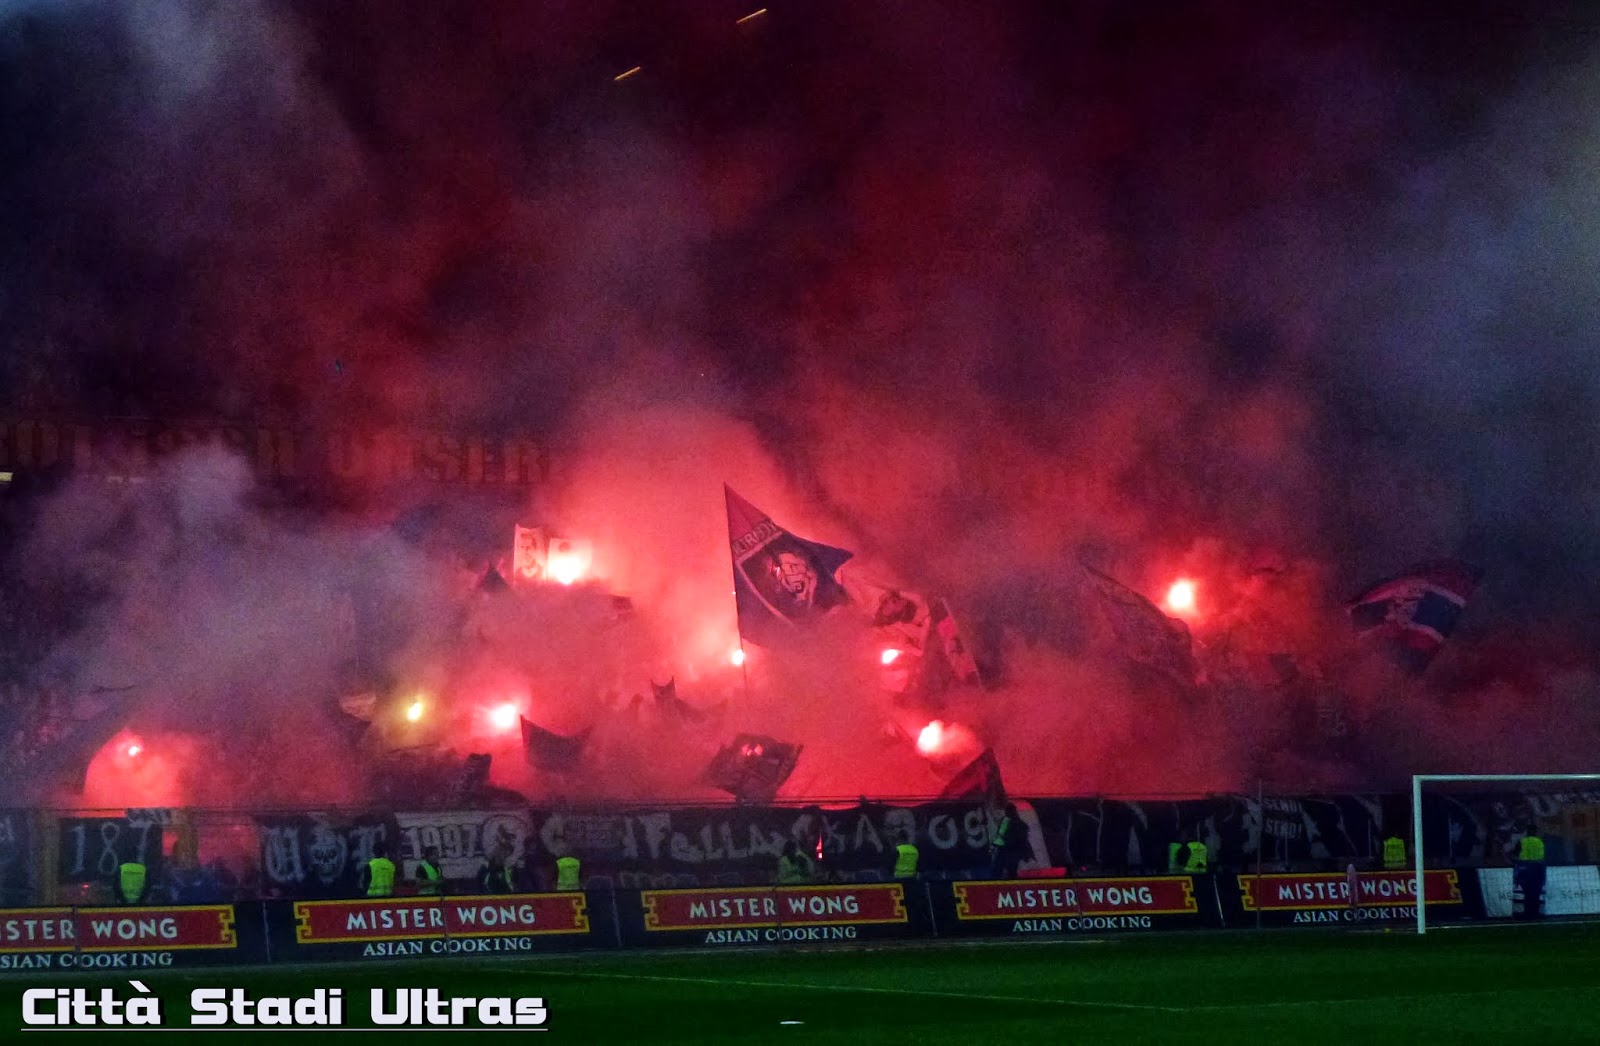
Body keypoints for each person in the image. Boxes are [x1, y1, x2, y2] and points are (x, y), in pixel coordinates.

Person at [1515, 823, 1546, 920]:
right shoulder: (1540, 841)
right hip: (1538, 868)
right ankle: (1535, 913)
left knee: (1527, 892)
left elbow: (1516, 853)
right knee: (1536, 893)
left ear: (1527, 831)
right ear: (1535, 831)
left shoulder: (1521, 841)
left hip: (1525, 868)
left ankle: (1527, 913)